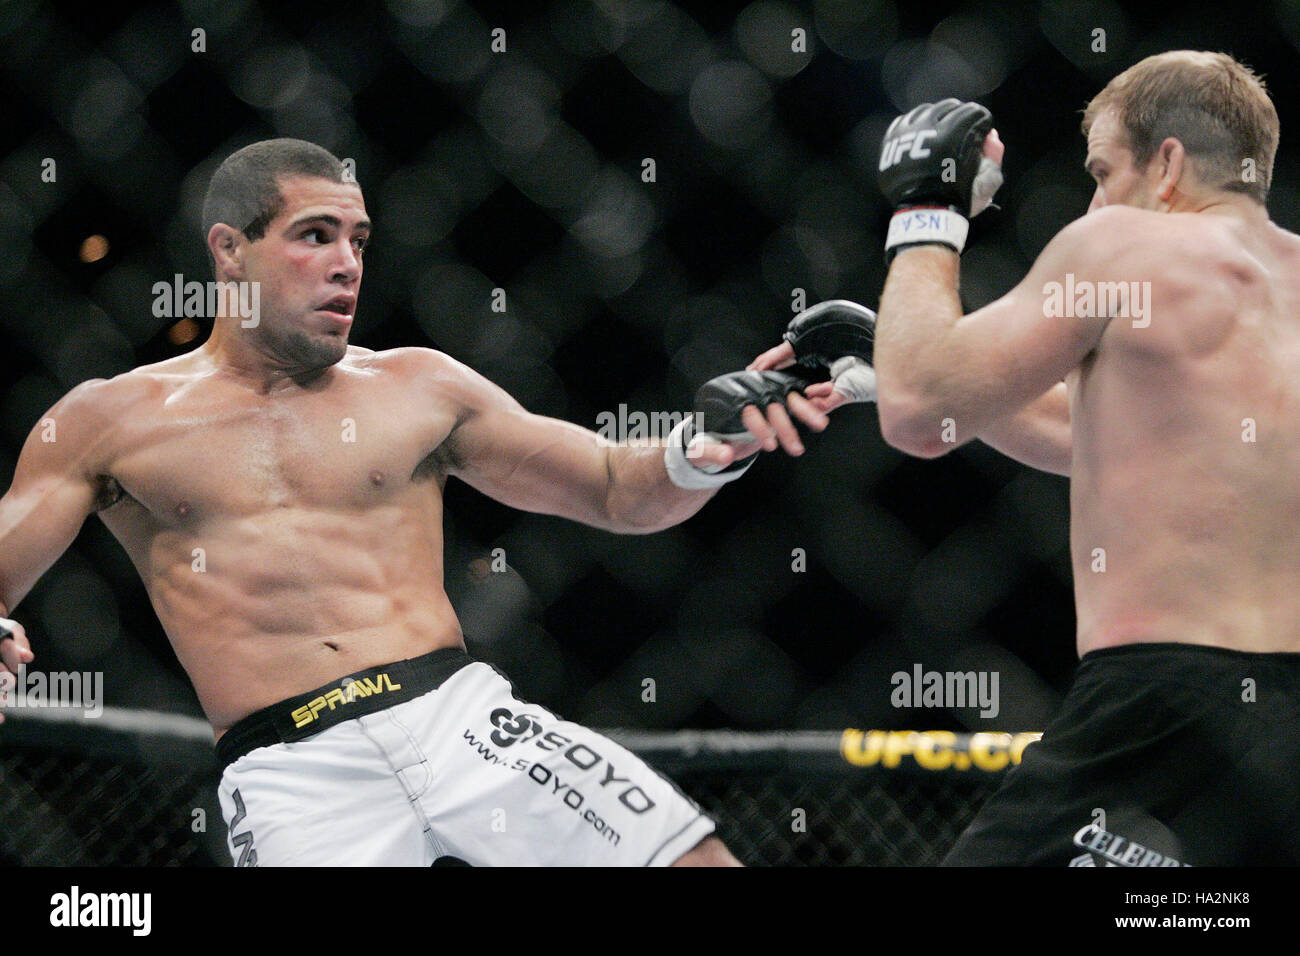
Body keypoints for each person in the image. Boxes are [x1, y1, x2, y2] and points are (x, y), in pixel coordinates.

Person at [0, 138, 827, 866]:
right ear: (229, 250)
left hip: (459, 720)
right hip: (290, 767)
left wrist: (708, 448)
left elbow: (615, 488)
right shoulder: (108, 420)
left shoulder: (418, 387)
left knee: (693, 859)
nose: (346, 263)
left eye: (357, 240)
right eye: (314, 236)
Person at [756, 50, 1300, 865]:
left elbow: (920, 415)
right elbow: (1091, 437)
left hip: (1163, 698)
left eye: (1102, 169)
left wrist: (929, 210)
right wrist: (888, 363)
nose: (1092, 199)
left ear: (1168, 163)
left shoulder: (1123, 245)